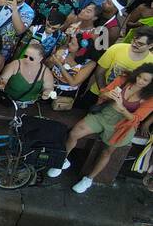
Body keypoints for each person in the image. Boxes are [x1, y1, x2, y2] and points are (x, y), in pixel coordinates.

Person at [48, 64, 153, 193]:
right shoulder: (124, 79)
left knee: (107, 151)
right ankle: (62, 160)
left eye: (145, 80)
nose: (140, 81)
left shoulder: (150, 98)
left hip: (124, 125)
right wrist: (109, 94)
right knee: (75, 133)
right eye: (139, 76)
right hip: (106, 113)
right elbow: (104, 92)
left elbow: (136, 119)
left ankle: (88, 179)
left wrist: (122, 108)